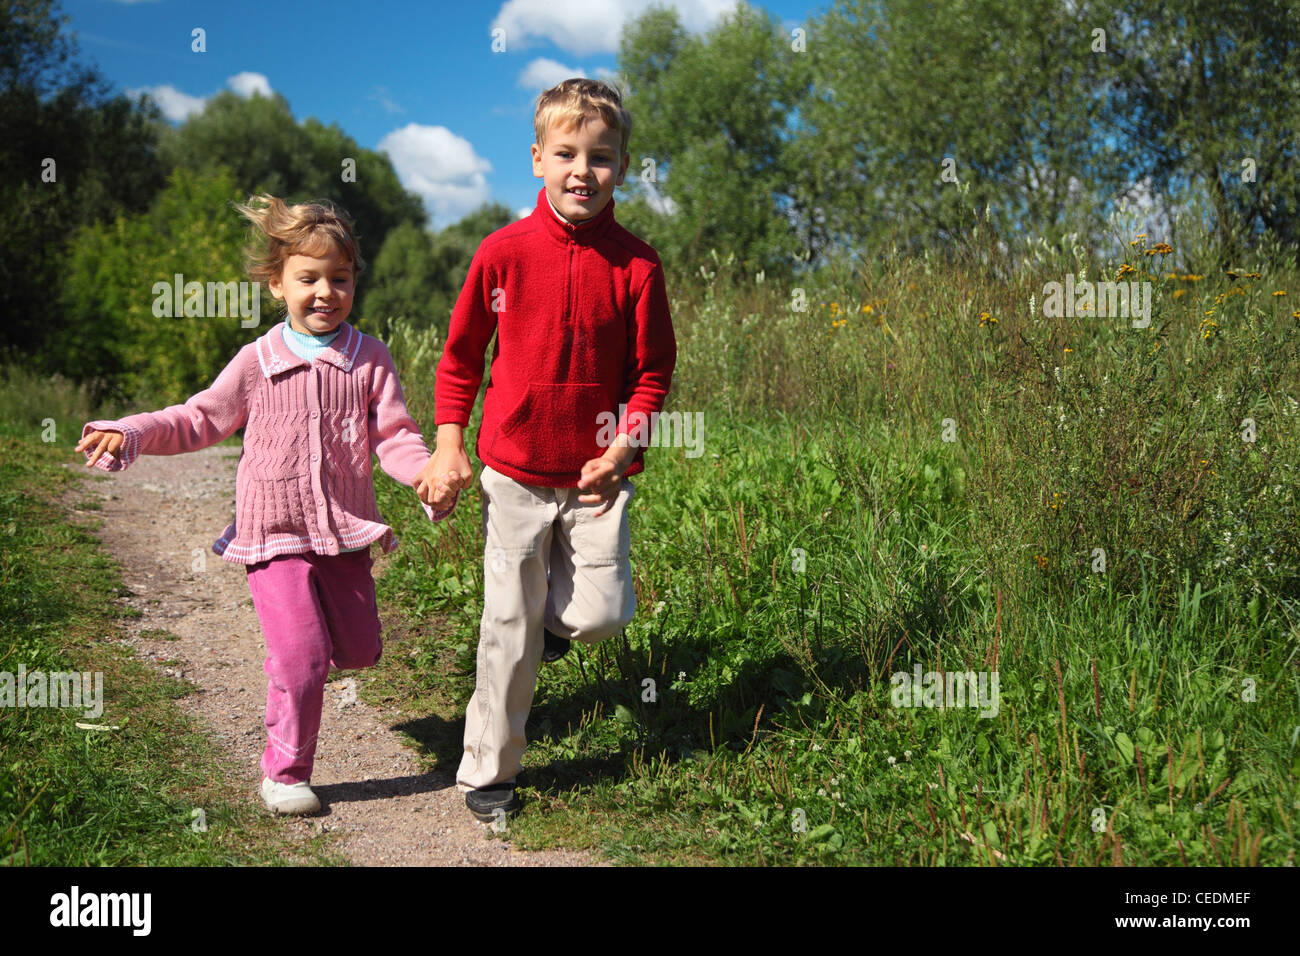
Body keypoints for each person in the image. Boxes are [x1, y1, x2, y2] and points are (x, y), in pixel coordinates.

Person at [76, 195, 441, 816]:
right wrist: (132, 429)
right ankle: (285, 772)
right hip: (272, 532)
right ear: (277, 284)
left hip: (344, 533)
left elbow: (395, 437)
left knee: (358, 651)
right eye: (309, 278)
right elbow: (197, 419)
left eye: (341, 279)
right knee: (301, 658)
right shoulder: (257, 362)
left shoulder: (369, 358)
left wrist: (427, 473)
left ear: (356, 283)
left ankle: (306, 657)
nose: (326, 291)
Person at [415, 78, 677, 822]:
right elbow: (462, 359)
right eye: (566, 154)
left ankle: (551, 632)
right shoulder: (503, 254)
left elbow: (653, 373)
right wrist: (448, 446)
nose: (582, 171)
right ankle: (488, 775)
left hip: (597, 476)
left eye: (600, 157)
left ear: (622, 168)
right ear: (536, 158)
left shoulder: (637, 266)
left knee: (601, 614)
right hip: (514, 473)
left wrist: (626, 443)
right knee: (504, 624)